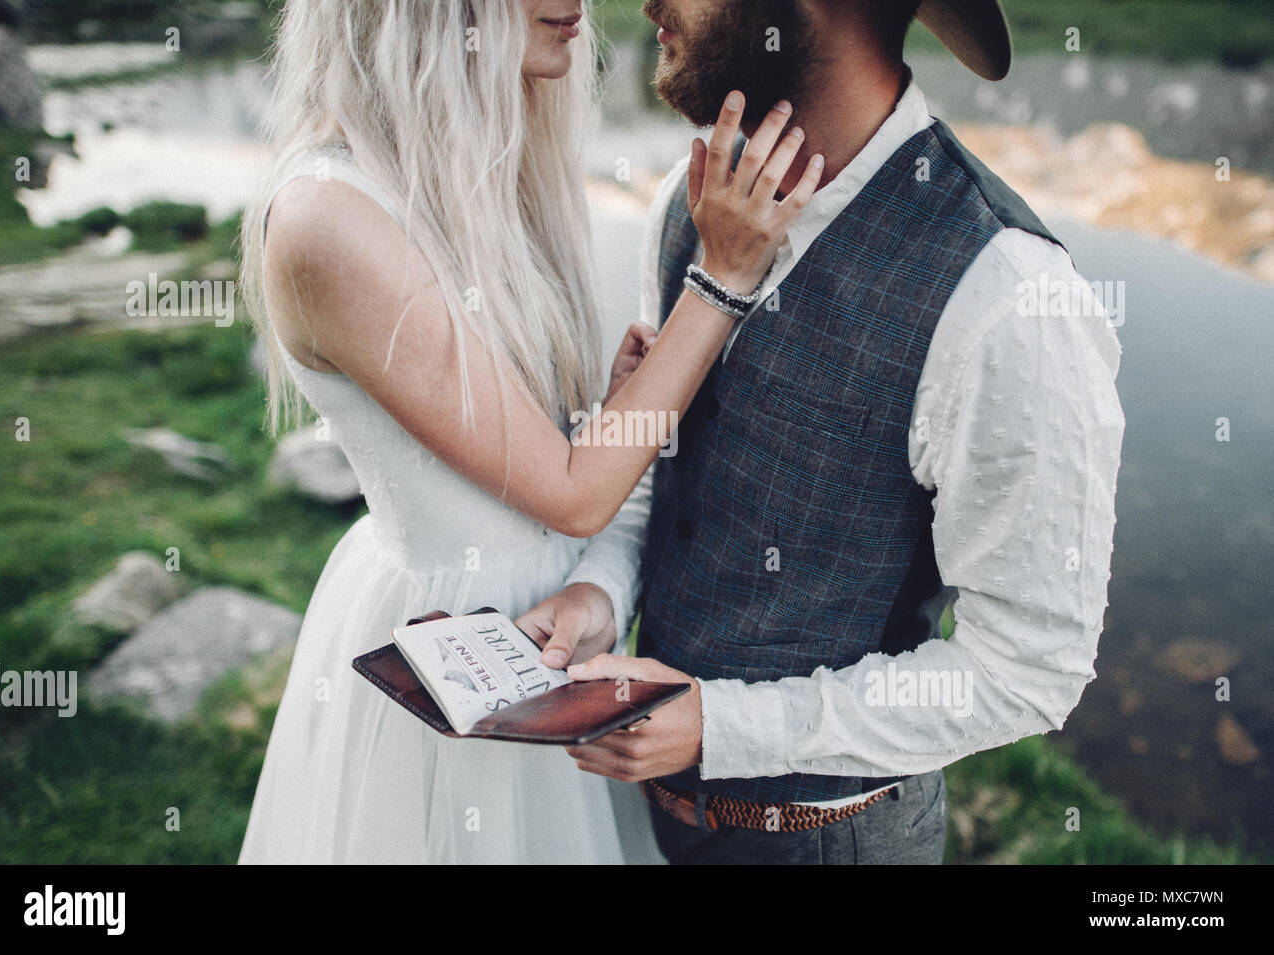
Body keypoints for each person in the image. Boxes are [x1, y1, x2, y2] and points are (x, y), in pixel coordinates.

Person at [530, 0, 1126, 865]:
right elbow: (666, 468)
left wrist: (721, 727)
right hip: (646, 818)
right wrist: (602, 596)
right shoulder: (686, 200)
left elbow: (1029, 672)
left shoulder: (1009, 298)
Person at [235, 0, 822, 864]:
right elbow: (578, 489)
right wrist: (723, 273)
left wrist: (608, 422)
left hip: (539, 659)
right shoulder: (331, 217)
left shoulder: (483, 170)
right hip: (443, 668)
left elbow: (558, 468)